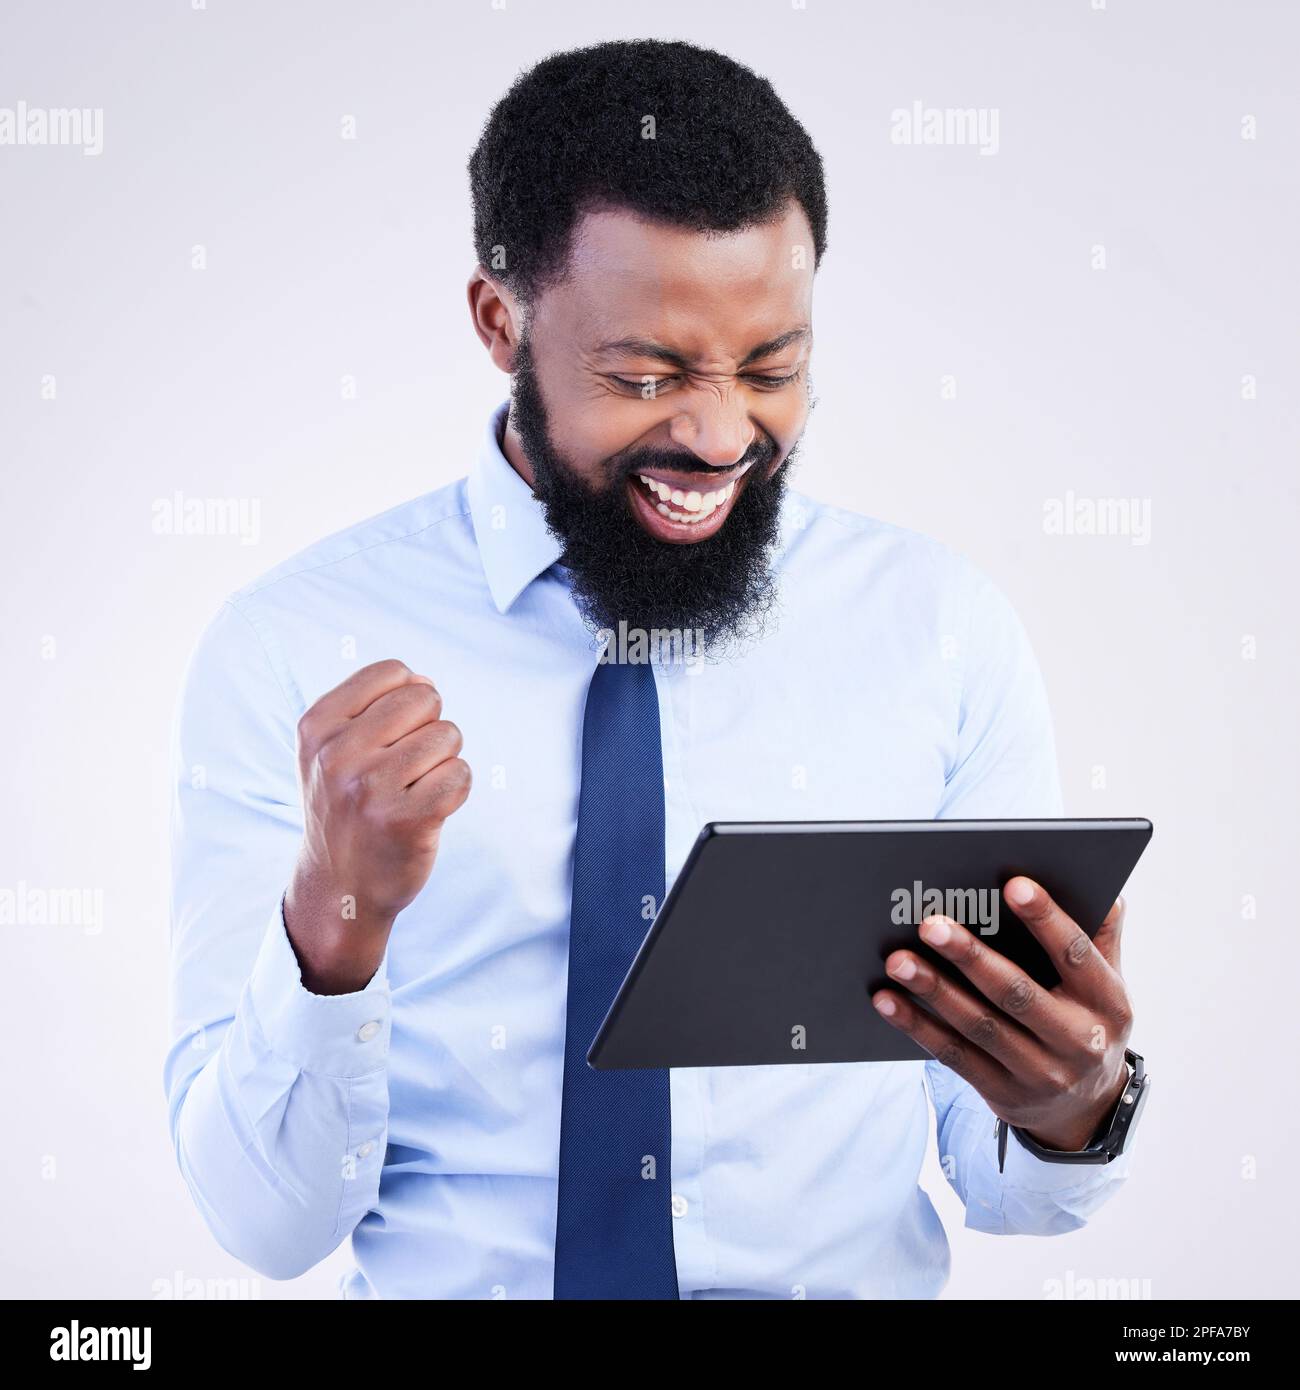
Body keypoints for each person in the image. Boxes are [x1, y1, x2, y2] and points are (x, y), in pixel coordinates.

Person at [165, 39, 1143, 1300]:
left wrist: (1074, 1103)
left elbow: (1009, 1183)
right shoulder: (294, 648)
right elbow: (261, 1224)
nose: (720, 434)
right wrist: (332, 923)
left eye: (774, 367)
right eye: (645, 376)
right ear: (497, 321)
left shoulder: (941, 631)